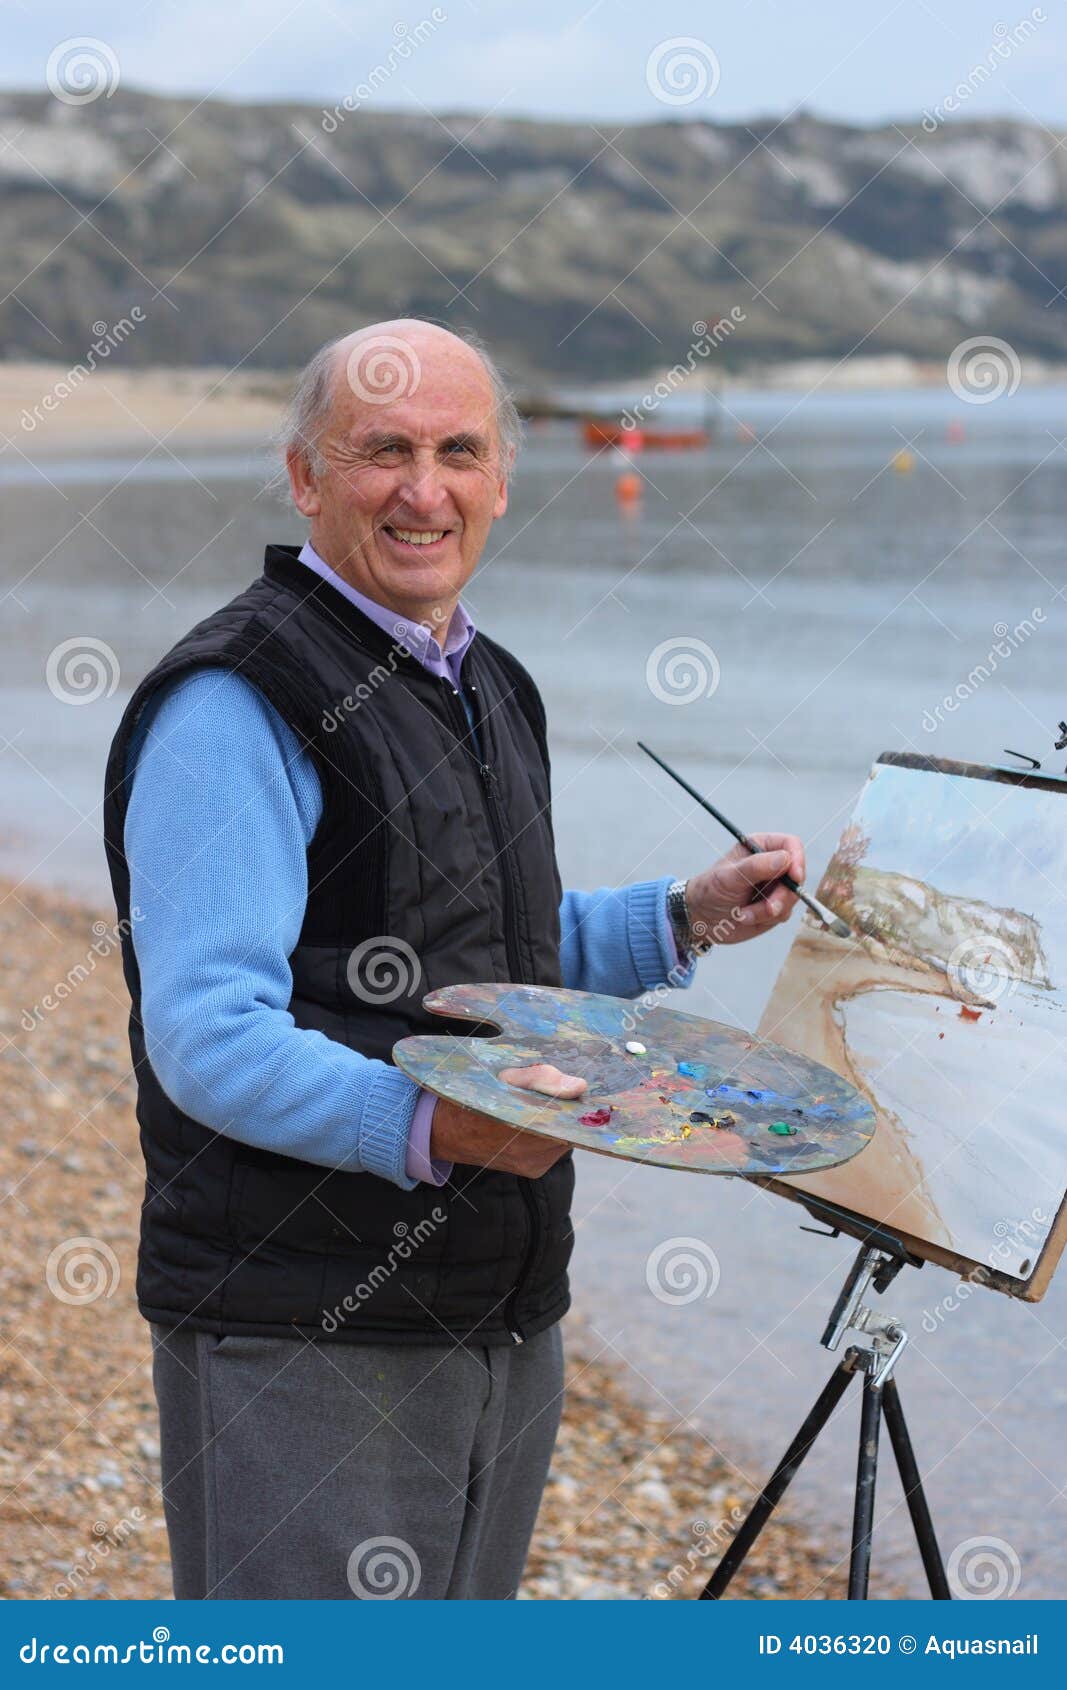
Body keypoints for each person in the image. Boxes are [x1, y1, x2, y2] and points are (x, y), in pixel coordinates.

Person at [102, 318, 805, 1600]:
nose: (424, 491)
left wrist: (680, 916)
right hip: (304, 1320)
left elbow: (483, 957)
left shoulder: (486, 681)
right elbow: (205, 1033)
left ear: (501, 479)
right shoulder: (233, 702)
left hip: (501, 1309)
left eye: (458, 452)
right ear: (305, 475)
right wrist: (432, 1124)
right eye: (383, 450)